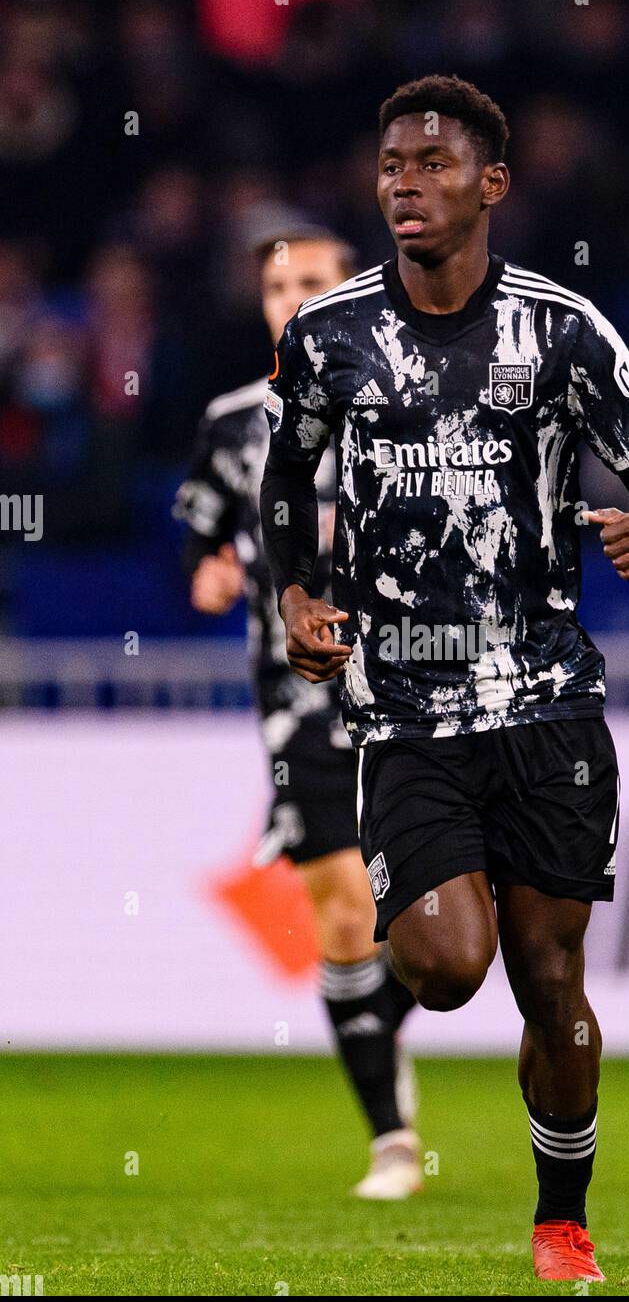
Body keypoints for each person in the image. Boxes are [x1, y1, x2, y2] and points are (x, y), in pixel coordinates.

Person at [260, 78, 629, 1280]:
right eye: (391, 163)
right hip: (403, 711)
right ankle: (442, 941)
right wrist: (299, 588)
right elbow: (284, 481)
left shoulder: (558, 329)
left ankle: (562, 1221)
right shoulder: (330, 337)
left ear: (489, 184)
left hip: (548, 702)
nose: (405, 181)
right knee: (449, 968)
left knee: (549, 982)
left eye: (434, 163)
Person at [175, 227, 421, 1201]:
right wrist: (209, 566)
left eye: (309, 281)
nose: (289, 297)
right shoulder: (233, 422)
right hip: (297, 704)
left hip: (412, 692)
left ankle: (380, 1023)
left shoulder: (406, 406)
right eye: (276, 284)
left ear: (348, 290)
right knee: (341, 908)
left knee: (434, 924)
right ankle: (391, 1139)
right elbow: (197, 530)